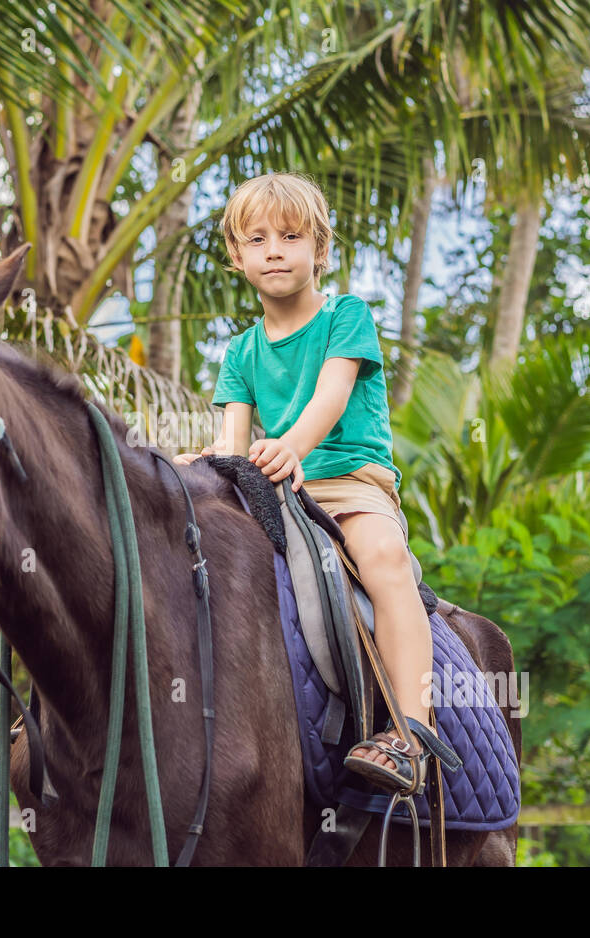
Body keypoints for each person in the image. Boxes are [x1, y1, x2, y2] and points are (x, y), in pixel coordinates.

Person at [173, 171, 435, 792]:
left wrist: (290, 447)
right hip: (277, 490)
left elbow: (331, 393)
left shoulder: (346, 316)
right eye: (257, 239)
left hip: (348, 481)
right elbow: (233, 446)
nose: (273, 250)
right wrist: (194, 466)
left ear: (319, 250)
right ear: (237, 257)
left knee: (382, 556)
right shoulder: (240, 351)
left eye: (290, 237)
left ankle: (411, 734)